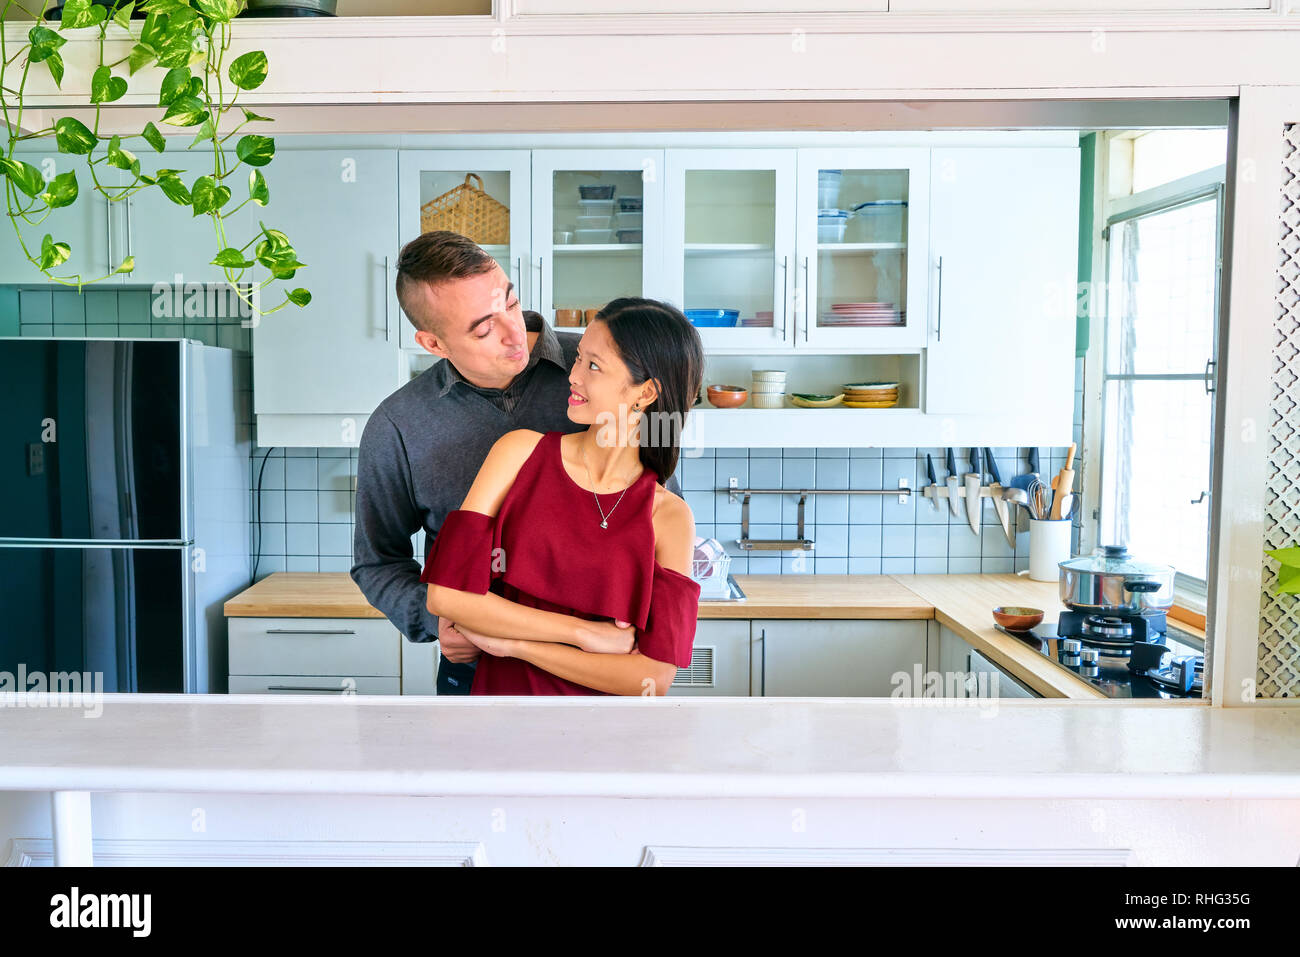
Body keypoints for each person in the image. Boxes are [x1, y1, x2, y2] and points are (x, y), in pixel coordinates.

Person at [350, 231, 684, 695]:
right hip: (478, 670)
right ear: (434, 343)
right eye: (484, 328)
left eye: (511, 303)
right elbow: (378, 563)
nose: (513, 334)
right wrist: (439, 619)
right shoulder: (398, 425)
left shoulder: (601, 366)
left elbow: (655, 503)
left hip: (604, 667)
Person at [420, 297, 704, 695]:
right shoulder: (518, 453)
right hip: (500, 729)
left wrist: (515, 645)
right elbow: (447, 595)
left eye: (593, 365)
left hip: (606, 744)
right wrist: (584, 634)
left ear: (645, 393)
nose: (573, 376)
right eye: (578, 359)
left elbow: (653, 678)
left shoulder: (669, 517)